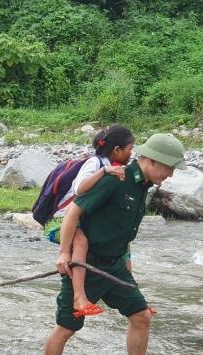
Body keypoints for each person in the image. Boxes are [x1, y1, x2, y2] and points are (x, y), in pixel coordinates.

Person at [45, 133, 186, 355]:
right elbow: (73, 211)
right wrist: (64, 253)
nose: (171, 174)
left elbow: (123, 229)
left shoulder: (143, 187)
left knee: (141, 316)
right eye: (170, 167)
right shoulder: (115, 179)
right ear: (153, 160)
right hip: (86, 267)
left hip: (116, 267)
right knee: (66, 329)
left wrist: (127, 259)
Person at [44, 124, 135, 318]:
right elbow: (79, 189)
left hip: (83, 219)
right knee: (81, 241)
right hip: (60, 220)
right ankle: (79, 297)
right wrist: (104, 172)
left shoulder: (116, 167)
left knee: (124, 247)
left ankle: (134, 296)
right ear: (117, 150)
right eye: (130, 149)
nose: (132, 153)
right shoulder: (95, 163)